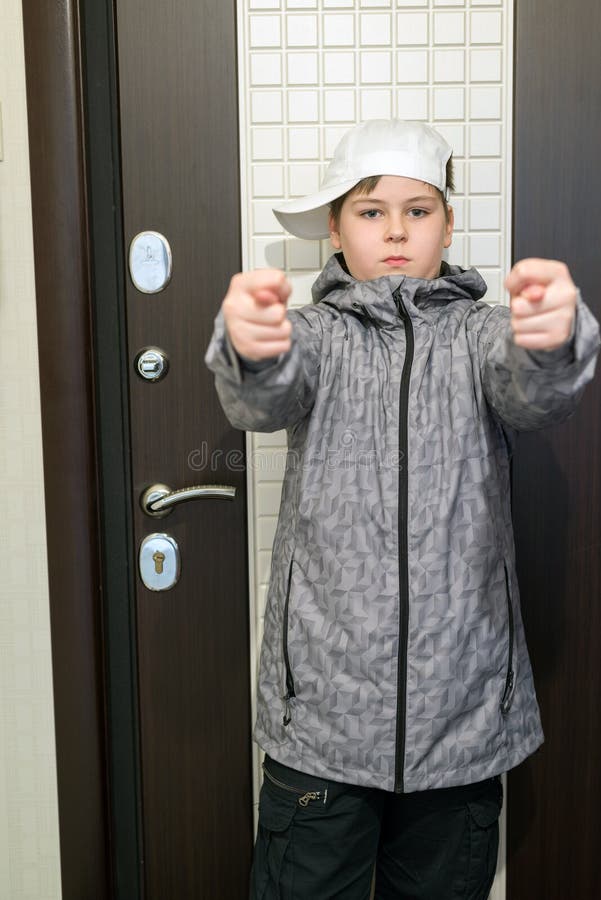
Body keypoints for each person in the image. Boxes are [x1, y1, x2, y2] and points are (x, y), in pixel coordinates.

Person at [204, 119, 600, 899]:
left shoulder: (483, 335)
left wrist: (552, 341)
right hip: (320, 724)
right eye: (370, 211)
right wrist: (250, 347)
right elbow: (263, 396)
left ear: (448, 224)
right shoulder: (313, 336)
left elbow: (533, 392)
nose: (394, 231)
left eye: (417, 212)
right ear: (335, 227)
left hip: (462, 719)